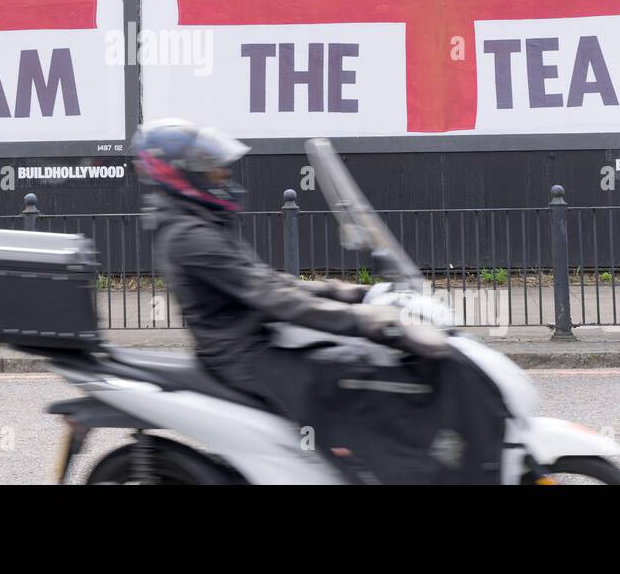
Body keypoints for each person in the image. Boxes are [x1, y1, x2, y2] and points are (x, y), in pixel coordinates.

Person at [132, 117, 507, 483]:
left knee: (370, 361)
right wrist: (370, 321)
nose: (222, 177)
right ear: (180, 175)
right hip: (245, 355)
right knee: (353, 373)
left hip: (257, 339)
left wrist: (344, 292)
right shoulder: (190, 236)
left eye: (220, 170)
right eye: (211, 171)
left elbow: (265, 281)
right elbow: (272, 297)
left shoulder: (200, 221)